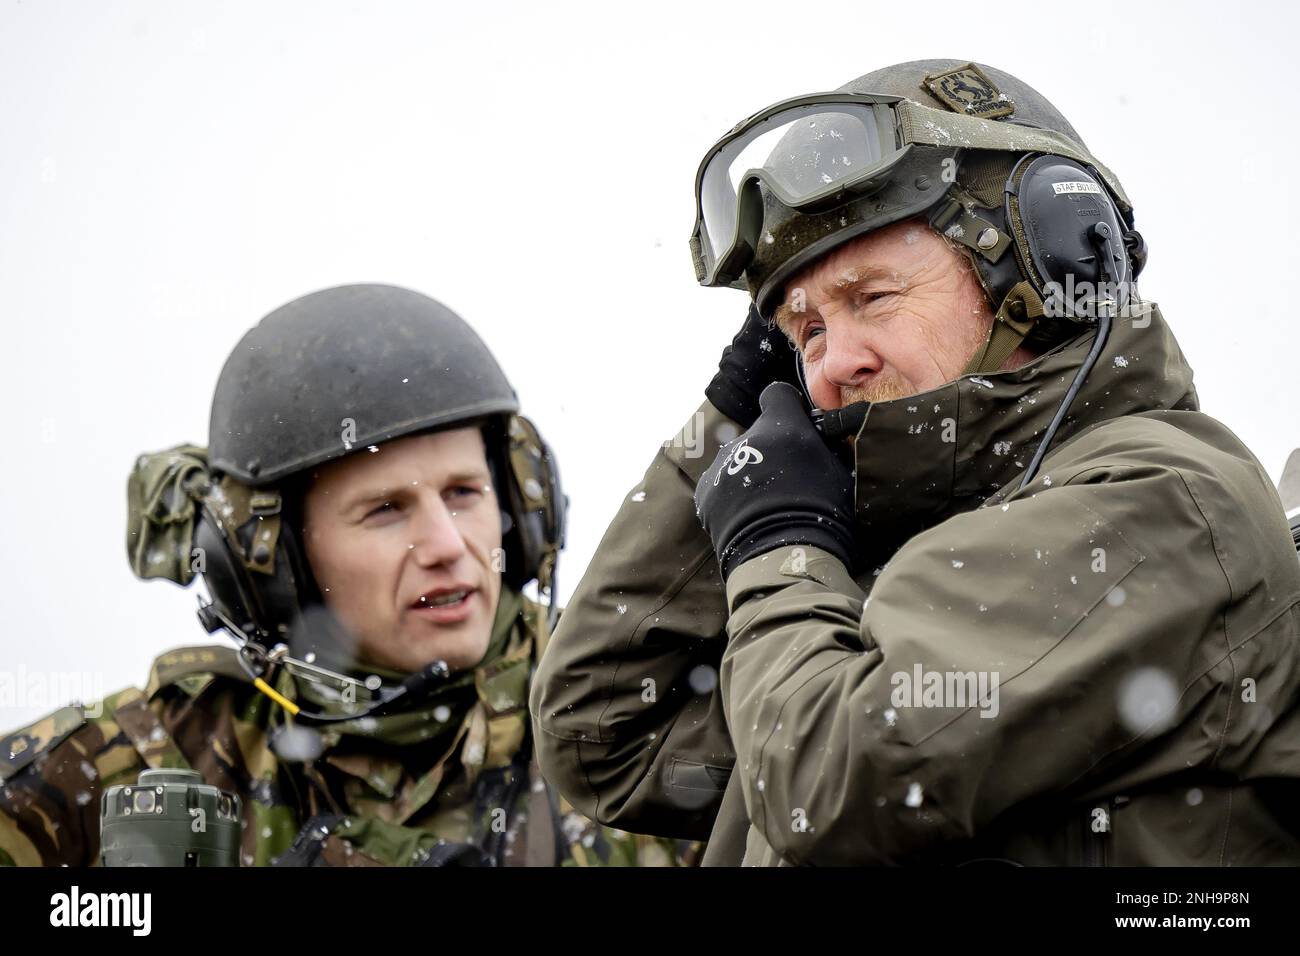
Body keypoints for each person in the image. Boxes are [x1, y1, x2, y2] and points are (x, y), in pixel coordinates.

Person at [532, 60, 1300, 865]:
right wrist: (729, 417)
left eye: (872, 298)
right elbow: (601, 732)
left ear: (1049, 269)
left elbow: (827, 783)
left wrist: (776, 542)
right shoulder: (868, 573)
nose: (831, 365)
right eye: (805, 334)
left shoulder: (1160, 497)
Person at [0, 284, 692, 867]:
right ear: (272, 566)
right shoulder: (149, 760)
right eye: (387, 510)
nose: (447, 545)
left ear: (520, 506)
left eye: (464, 493)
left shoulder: (631, 718)